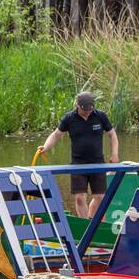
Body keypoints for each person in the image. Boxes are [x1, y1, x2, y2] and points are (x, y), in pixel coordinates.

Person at [36, 91, 120, 219]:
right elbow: (56, 135)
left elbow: (112, 135)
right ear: (77, 105)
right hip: (78, 164)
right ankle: (85, 225)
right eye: (84, 110)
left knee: (100, 197)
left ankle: (89, 222)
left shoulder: (101, 116)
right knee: (80, 198)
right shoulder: (69, 118)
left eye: (90, 110)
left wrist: (115, 154)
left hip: (98, 162)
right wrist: (46, 147)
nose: (87, 112)